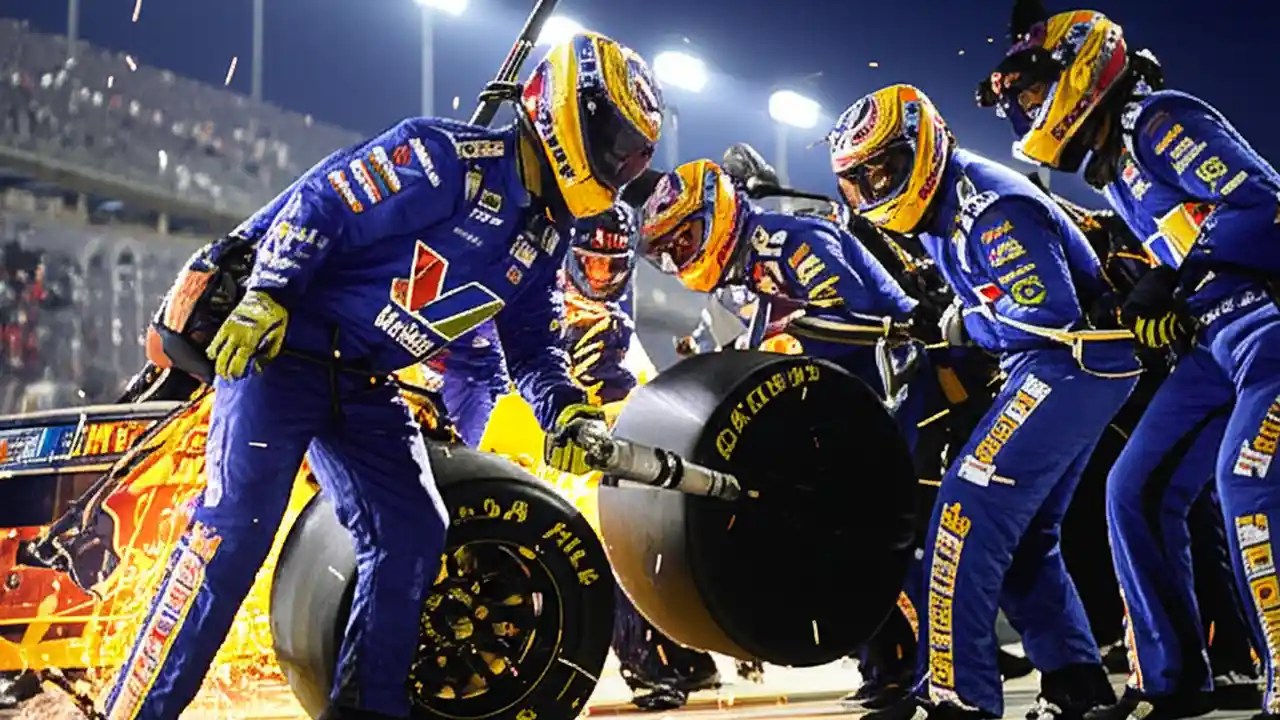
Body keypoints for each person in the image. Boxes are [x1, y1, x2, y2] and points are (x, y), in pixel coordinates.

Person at [100, 31, 663, 720]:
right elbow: (322, 202)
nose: (624, 166)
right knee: (233, 533)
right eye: (620, 144)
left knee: (414, 530)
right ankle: (129, 713)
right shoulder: (445, 156)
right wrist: (270, 291)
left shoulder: (548, 236)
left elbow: (535, 346)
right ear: (566, 111)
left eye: (637, 155)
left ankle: (368, 711)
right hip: (284, 353)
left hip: (365, 381)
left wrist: (566, 411)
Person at [979, 6, 1280, 718]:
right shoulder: (1113, 165)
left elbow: (1265, 207)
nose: (1024, 112)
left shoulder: (1157, 122)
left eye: (1030, 92)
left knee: (1249, 485)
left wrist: (1172, 275)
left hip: (1268, 328)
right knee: (1132, 490)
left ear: (1080, 66)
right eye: (1016, 102)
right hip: (1215, 345)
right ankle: (1172, 682)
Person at [829, 84, 1139, 720]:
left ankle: (958, 696)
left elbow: (1044, 319)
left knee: (963, 512)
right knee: (1027, 539)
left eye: (882, 169)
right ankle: (1075, 683)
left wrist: (964, 323)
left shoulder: (990, 207)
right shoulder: (943, 205)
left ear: (923, 147)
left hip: (1068, 362)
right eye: (859, 180)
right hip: (1062, 366)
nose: (874, 189)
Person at [637, 158, 929, 438]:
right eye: (668, 254)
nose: (677, 258)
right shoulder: (740, 271)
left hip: (910, 378)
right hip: (856, 392)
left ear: (716, 207)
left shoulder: (790, 239)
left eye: (684, 240)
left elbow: (855, 315)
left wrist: (781, 346)